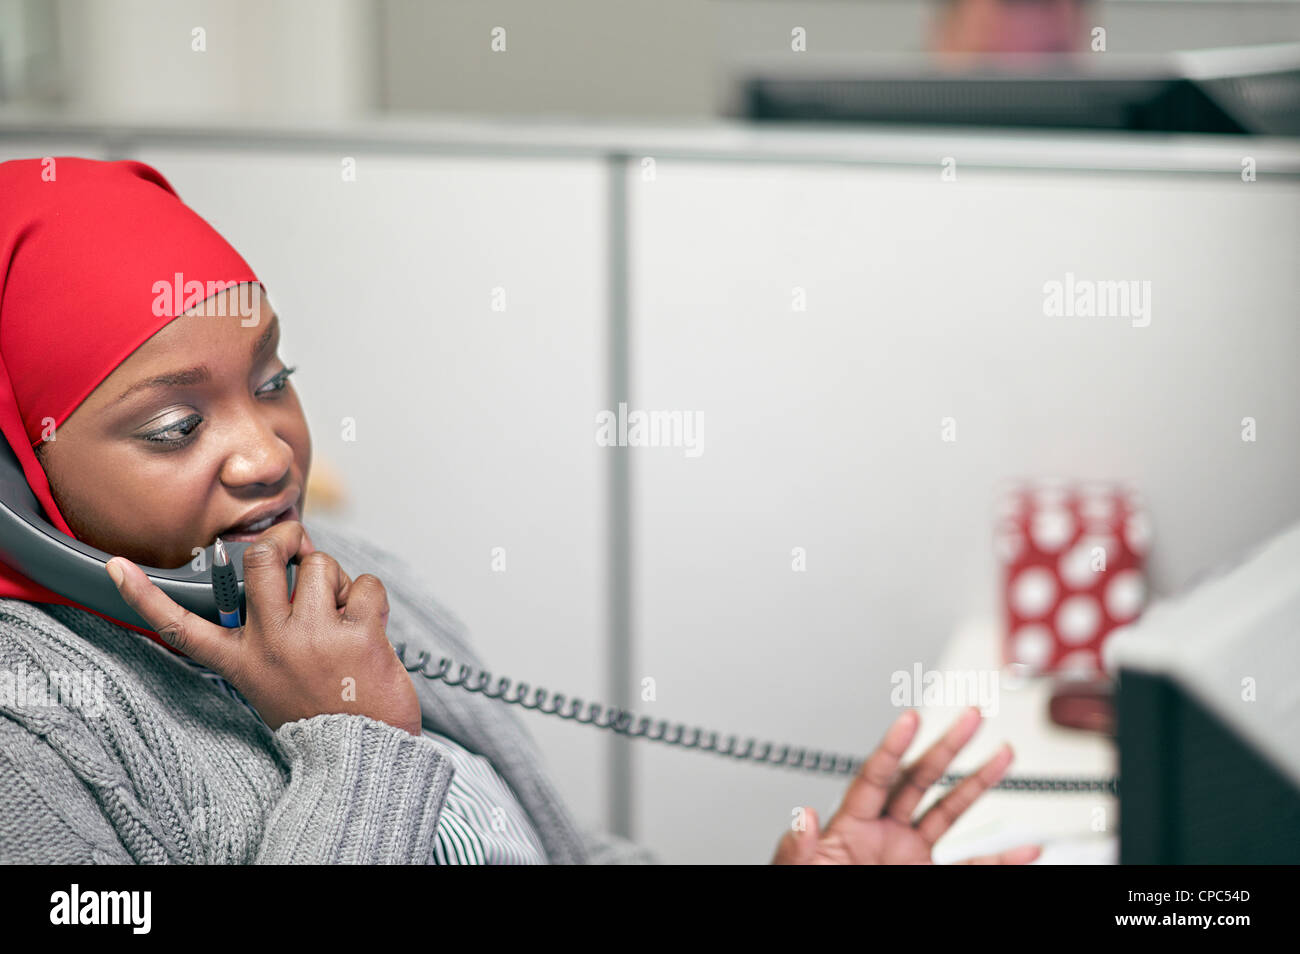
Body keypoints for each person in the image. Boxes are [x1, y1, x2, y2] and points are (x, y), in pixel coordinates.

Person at [0, 157, 1041, 865]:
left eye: (274, 378)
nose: (269, 452)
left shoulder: (348, 582)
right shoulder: (28, 731)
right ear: (18, 484)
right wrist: (352, 746)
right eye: (178, 427)